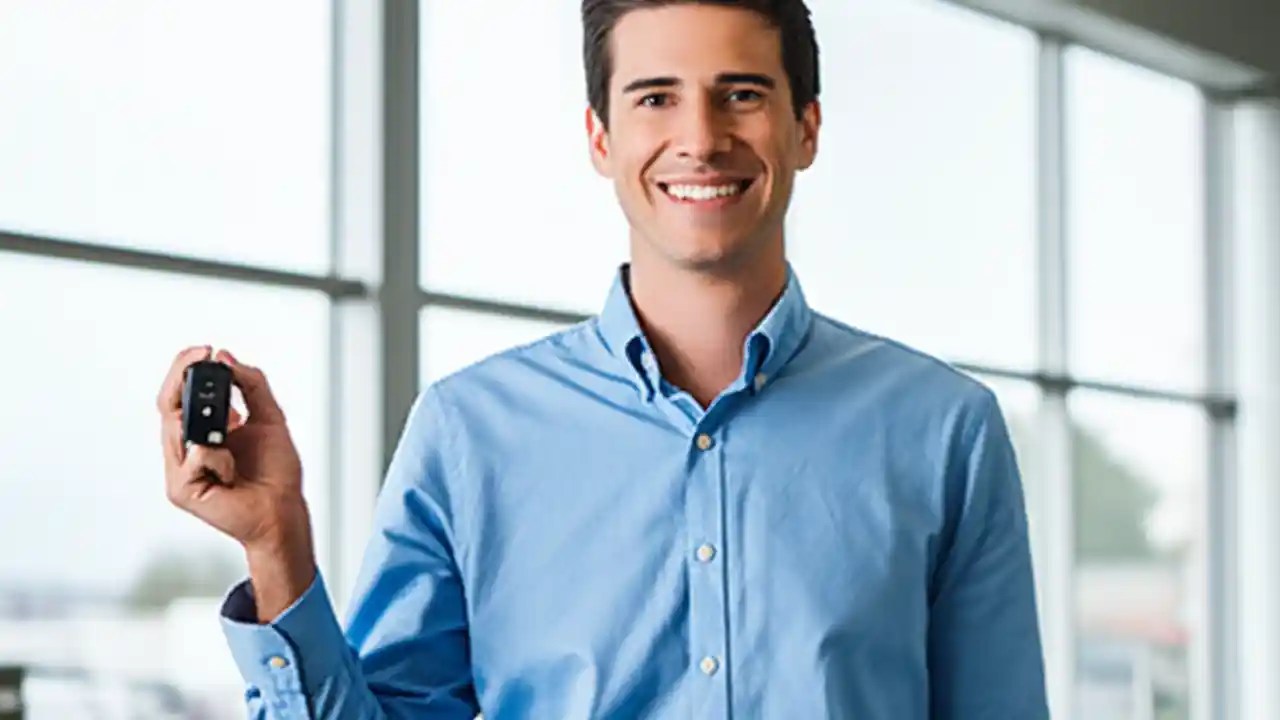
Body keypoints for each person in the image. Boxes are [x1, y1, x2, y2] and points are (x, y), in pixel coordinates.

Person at [157, 1, 1049, 717]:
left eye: (740, 93)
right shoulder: (469, 434)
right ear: (600, 138)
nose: (700, 137)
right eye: (655, 97)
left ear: (806, 128)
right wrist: (277, 549)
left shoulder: (944, 432)